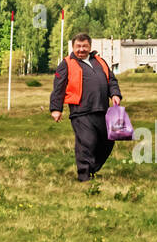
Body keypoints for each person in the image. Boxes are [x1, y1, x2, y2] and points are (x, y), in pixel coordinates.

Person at [50, 33, 122, 181]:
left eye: (85, 46)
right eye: (78, 46)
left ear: (90, 47)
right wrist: (56, 109)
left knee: (108, 141)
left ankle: (92, 168)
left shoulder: (100, 61)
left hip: (102, 110)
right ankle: (84, 176)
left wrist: (115, 94)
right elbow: (58, 88)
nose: (81, 49)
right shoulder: (66, 63)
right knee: (87, 142)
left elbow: (112, 81)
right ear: (73, 47)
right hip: (80, 112)